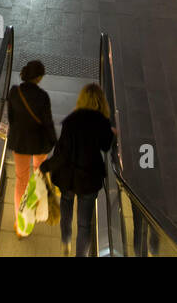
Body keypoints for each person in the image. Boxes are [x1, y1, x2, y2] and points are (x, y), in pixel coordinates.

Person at [42, 82, 114, 257]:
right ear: (100, 101)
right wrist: (110, 132)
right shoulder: (102, 122)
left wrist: (46, 166)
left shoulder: (71, 120)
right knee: (84, 224)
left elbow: (62, 152)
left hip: (68, 177)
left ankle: (65, 241)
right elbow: (105, 146)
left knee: (66, 209)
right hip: (89, 179)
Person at [9, 60, 58, 237]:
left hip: (20, 141)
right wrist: (54, 141)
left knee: (21, 179)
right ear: (38, 78)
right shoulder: (43, 96)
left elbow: (11, 118)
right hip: (39, 143)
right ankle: (36, 210)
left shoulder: (14, 92)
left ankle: (19, 221)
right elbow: (48, 122)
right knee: (39, 174)